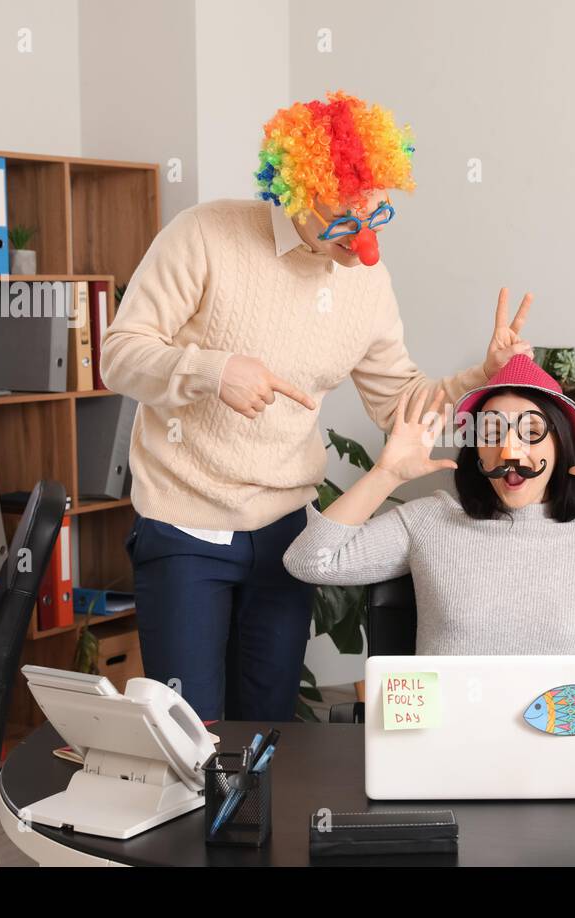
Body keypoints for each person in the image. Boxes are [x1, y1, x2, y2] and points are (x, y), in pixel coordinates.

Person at [100, 91, 531, 721]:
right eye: (341, 224)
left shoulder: (367, 280)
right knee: (187, 734)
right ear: (296, 197)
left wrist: (482, 377)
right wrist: (211, 370)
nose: (364, 246)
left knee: (269, 728)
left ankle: (253, 824)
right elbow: (119, 354)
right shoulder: (205, 234)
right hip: (187, 523)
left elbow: (400, 404)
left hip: (286, 531)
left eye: (377, 217)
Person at [282, 354, 575, 687]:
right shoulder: (430, 520)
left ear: (560, 446)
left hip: (570, 748)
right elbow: (310, 562)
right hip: (450, 745)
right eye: (492, 433)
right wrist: (384, 474)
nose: (511, 453)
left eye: (532, 433)